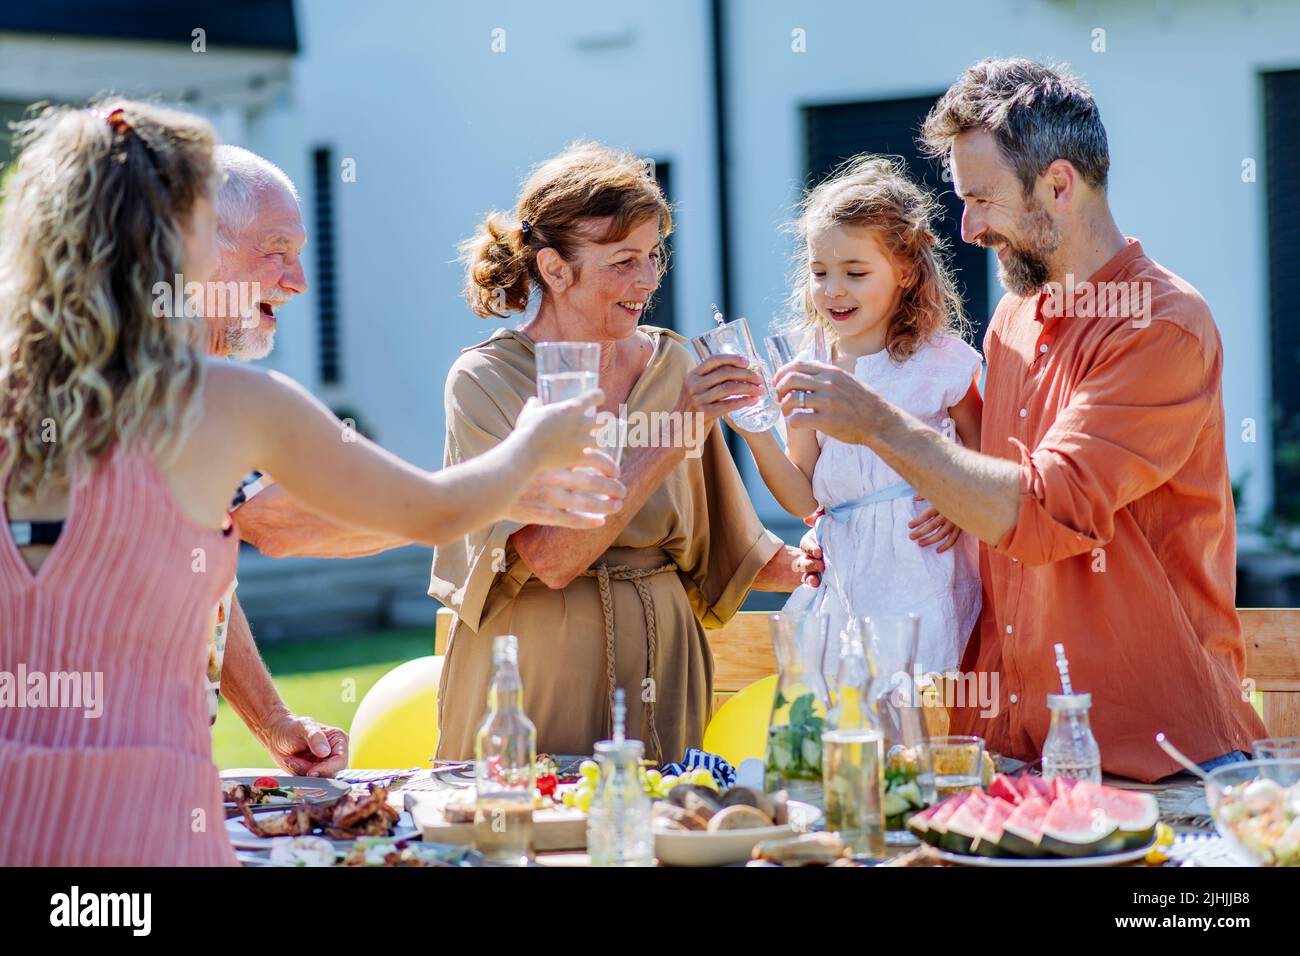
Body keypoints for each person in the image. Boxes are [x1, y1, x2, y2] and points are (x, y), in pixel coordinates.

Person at [0, 101, 623, 865]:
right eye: (265, 248)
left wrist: (272, 720)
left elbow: (171, 572)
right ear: (167, 244)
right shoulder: (225, 404)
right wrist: (529, 450)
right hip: (146, 832)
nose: (296, 280)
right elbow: (422, 512)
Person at [781, 59, 1267, 782]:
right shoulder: (1010, 319)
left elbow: (1042, 509)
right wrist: (883, 519)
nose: (968, 228)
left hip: (1156, 758)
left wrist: (881, 426)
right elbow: (984, 488)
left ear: (1060, 185)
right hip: (1008, 749)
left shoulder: (1162, 326)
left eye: (981, 199)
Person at [431, 141, 804, 763]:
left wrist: (848, 541)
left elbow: (735, 554)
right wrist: (677, 429)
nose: (648, 280)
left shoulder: (676, 363)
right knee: (525, 845)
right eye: (623, 261)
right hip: (529, 678)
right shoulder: (485, 382)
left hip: (665, 672)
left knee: (665, 840)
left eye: (654, 255)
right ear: (553, 269)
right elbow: (551, 559)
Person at [742, 155, 983, 678]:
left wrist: (962, 501)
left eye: (855, 273)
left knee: (921, 708)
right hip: (846, 573)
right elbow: (804, 498)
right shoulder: (808, 365)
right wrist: (753, 430)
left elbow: (989, 455)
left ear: (904, 271)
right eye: (819, 272)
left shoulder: (939, 360)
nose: (833, 290)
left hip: (924, 568)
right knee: (844, 714)